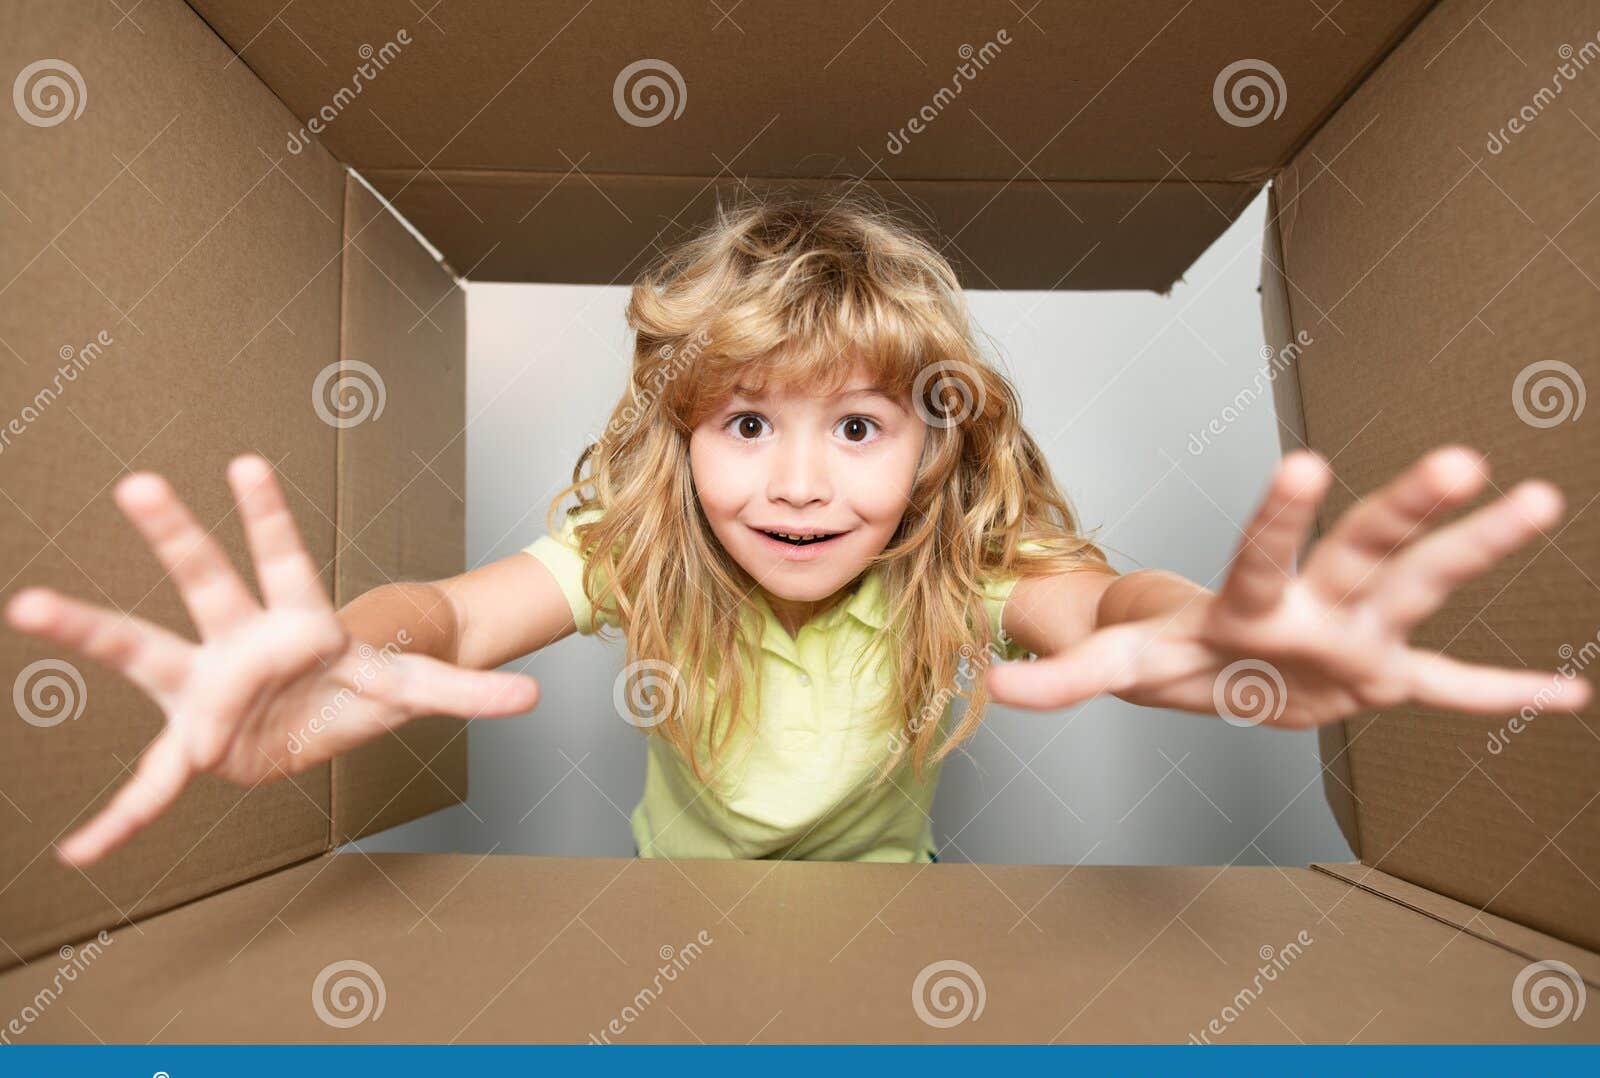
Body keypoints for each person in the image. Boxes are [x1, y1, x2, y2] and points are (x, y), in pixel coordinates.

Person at [5, 191, 1589, 868]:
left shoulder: (959, 563)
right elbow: (454, 613)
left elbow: (1100, 611)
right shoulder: (648, 557)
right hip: (672, 930)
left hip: (886, 949)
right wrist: (349, 653)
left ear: (934, 443)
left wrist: (1206, 643)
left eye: (859, 426)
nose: (800, 484)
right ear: (681, 439)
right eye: (747, 423)